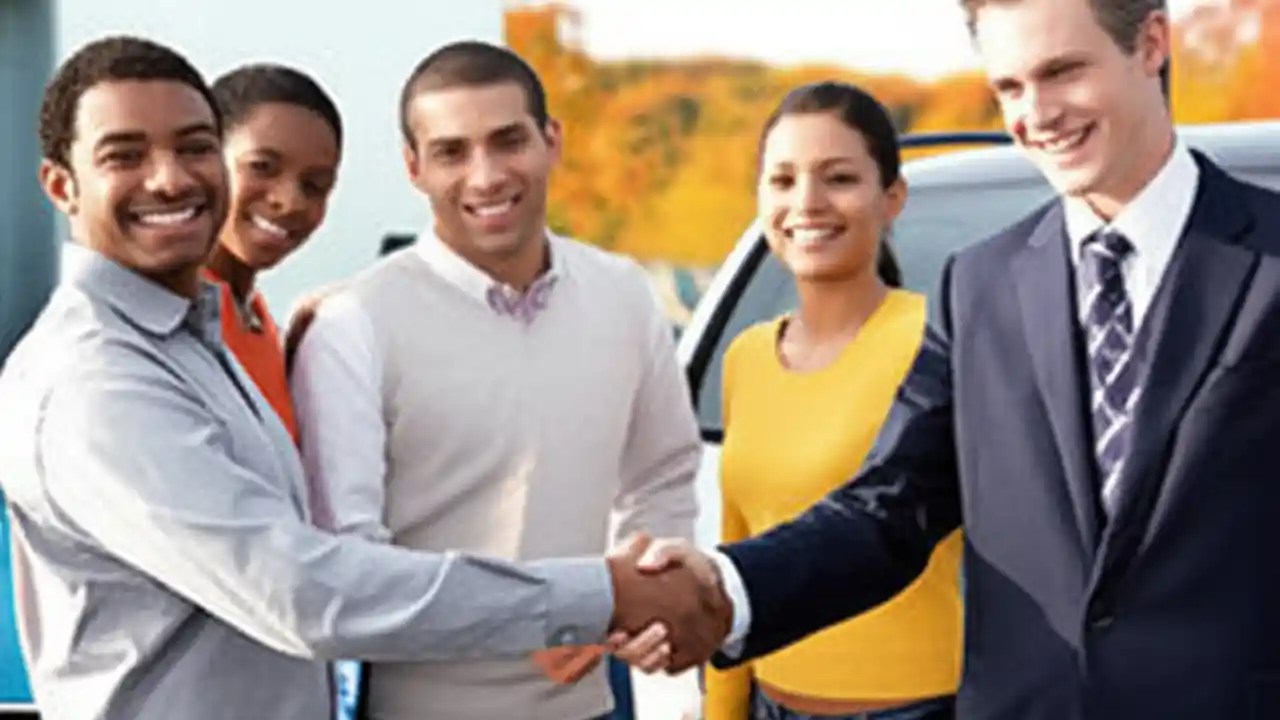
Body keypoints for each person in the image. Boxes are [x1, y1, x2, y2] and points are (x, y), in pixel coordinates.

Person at [0, 35, 725, 720]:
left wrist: (621, 590)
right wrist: (596, 595)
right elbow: (306, 591)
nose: (170, 177)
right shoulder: (96, 381)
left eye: (194, 147)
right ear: (61, 185)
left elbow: (661, 473)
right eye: (124, 155)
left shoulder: (201, 337)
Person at [616, 0, 1280, 717]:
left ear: (1151, 44)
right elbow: (889, 507)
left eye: (1062, 71)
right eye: (1010, 87)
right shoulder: (979, 286)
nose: (1038, 114)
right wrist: (721, 587)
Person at [287, 40, 704, 720]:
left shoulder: (624, 294)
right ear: (414, 167)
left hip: (596, 707)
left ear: (551, 141)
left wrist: (635, 595)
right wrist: (557, 608)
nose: (485, 177)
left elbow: (661, 477)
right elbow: (350, 564)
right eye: (452, 152)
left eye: (508, 141)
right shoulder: (354, 325)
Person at [700, 82, 961, 720]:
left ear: (891, 198)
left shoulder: (938, 343)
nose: (807, 203)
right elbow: (737, 540)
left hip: (915, 709)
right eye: (782, 180)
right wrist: (723, 710)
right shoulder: (746, 357)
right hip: (769, 704)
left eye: (839, 178)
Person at [201, 63, 342, 445]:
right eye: (261, 167)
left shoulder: (256, 320)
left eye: (314, 186)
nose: (289, 201)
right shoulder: (178, 320)